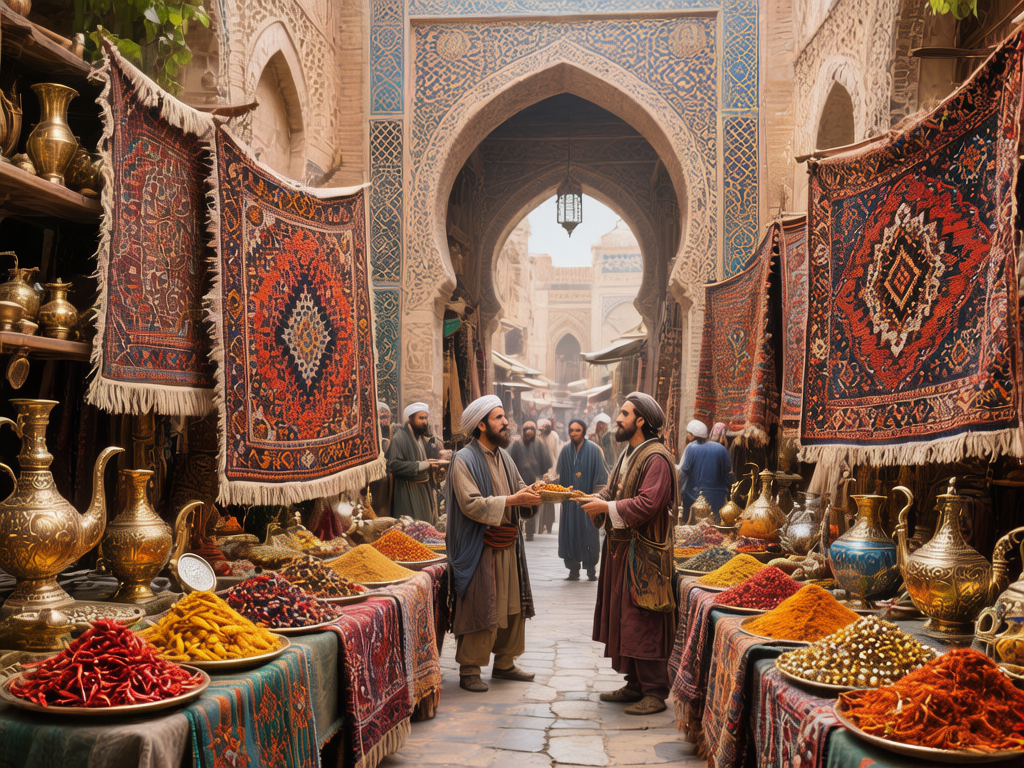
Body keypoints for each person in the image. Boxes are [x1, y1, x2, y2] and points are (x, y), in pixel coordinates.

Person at [582, 392, 678, 715]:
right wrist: (595, 498)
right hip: (622, 552)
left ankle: (654, 692)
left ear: (640, 421)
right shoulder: (628, 453)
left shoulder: (657, 458)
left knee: (644, 619)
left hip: (645, 558)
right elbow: (616, 490)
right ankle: (635, 684)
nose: (617, 418)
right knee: (626, 619)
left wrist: (606, 507)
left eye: (624, 413)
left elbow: (648, 504)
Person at [445, 395, 543, 693]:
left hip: (508, 544)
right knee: (480, 605)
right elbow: (471, 504)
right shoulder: (464, 460)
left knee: (512, 605)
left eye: (504, 417)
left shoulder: (504, 456)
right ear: (481, 424)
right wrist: (515, 499)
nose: (506, 423)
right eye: (499, 418)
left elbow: (517, 489)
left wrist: (532, 491)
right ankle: (470, 669)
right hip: (481, 547)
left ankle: (504, 663)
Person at [557, 418, 608, 581]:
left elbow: (601, 476)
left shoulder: (594, 450)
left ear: (584, 432)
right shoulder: (565, 451)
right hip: (570, 502)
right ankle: (573, 570)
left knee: (589, 534)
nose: (574, 433)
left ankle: (591, 569)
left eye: (577, 430)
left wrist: (595, 497)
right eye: (571, 430)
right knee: (569, 534)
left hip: (588, 502)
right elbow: (559, 475)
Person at [387, 403, 446, 522]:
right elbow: (392, 465)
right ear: (409, 419)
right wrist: (421, 465)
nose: (425, 422)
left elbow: (425, 460)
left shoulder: (421, 438)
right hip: (407, 492)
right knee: (410, 530)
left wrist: (433, 459)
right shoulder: (399, 438)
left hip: (423, 489)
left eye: (426, 418)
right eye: (421, 418)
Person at [678, 419, 734, 518]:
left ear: (691, 435)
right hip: (719, 499)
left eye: (688, 433)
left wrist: (675, 492)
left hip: (695, 499)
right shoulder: (722, 449)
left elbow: (683, 473)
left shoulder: (691, 448)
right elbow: (729, 476)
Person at [509, 421, 553, 541]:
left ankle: (529, 533)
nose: (529, 432)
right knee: (519, 503)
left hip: (534, 479)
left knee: (532, 504)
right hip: (520, 479)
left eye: (531, 430)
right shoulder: (517, 445)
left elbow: (546, 462)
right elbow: (512, 463)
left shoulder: (539, 444)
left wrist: (541, 474)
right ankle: (520, 529)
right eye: (526, 430)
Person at [535, 419, 562, 534]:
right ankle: (541, 526)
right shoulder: (538, 438)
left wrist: (557, 470)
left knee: (549, 498)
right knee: (541, 498)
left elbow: (557, 452)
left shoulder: (554, 436)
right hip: (541, 471)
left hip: (552, 471)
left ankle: (548, 524)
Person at [367, 401, 393, 516]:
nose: (384, 421)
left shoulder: (391, 432)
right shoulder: (367, 434)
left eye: (386, 417)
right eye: (381, 417)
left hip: (385, 476)